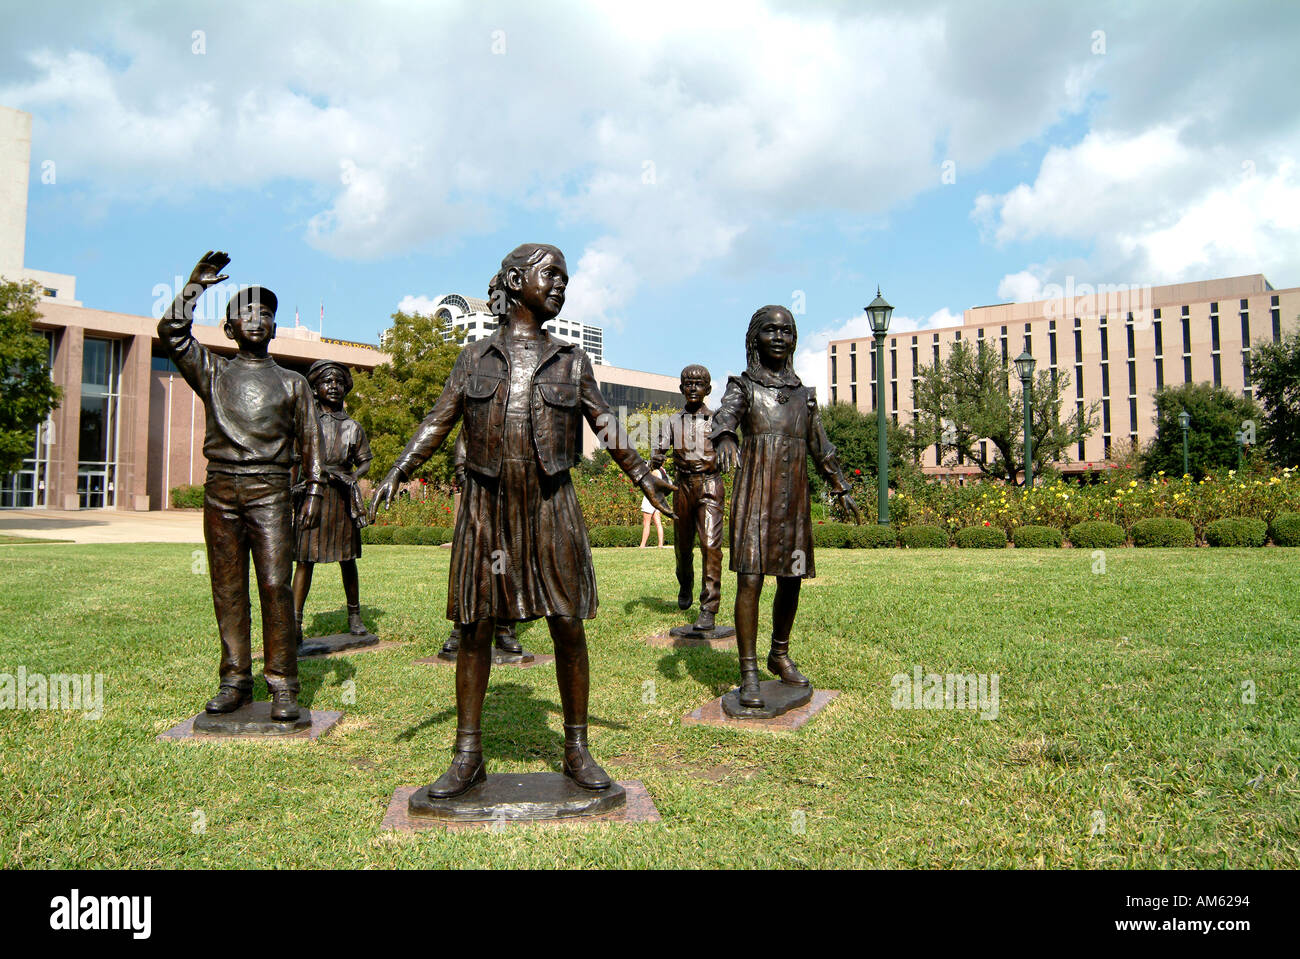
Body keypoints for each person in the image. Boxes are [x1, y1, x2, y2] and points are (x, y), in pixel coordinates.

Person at [370, 243, 675, 798]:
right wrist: (397, 469)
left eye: (566, 278)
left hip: (551, 502)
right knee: (476, 624)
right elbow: (439, 420)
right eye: (551, 275)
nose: (562, 285)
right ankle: (468, 755)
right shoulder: (474, 357)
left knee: (567, 621)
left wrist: (643, 476)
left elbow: (605, 424)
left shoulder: (570, 359)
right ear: (515, 280)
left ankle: (576, 747)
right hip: (487, 504)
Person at [157, 251, 323, 722]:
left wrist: (311, 492)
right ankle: (235, 679)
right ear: (228, 329)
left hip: (271, 491)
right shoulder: (214, 373)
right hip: (221, 491)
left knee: (275, 586)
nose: (258, 318)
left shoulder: (294, 384)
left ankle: (283, 684)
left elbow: (311, 444)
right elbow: (171, 333)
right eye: (246, 312)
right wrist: (194, 287)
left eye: (266, 313)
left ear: (275, 328)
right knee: (227, 588)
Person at [711, 305, 859, 709]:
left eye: (787, 331)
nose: (779, 337)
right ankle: (749, 671)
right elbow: (724, 417)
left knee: (791, 578)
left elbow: (821, 447)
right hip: (756, 495)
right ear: (755, 337)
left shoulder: (804, 396)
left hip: (793, 499)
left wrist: (841, 486)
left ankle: (779, 653)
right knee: (751, 581)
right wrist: (725, 436)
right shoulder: (742, 386)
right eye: (770, 330)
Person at [291, 360, 372, 645]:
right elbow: (294, 460)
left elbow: (365, 463)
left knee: (347, 560)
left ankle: (355, 616)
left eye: (339, 382)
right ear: (315, 388)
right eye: (327, 382)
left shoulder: (353, 427)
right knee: (305, 560)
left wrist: (351, 478)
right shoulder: (306, 422)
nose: (334, 386)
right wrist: (292, 491)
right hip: (312, 497)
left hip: (341, 502)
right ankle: (295, 621)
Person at [651, 364, 724, 630]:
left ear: (708, 389)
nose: (693, 387)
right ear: (682, 388)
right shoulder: (672, 421)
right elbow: (657, 453)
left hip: (709, 485)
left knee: (711, 546)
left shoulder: (716, 421)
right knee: (683, 549)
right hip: (682, 487)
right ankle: (686, 583)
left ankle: (708, 607)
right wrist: (652, 464)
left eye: (699, 383)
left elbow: (729, 446)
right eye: (688, 384)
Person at [638, 467, 669, 548]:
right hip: (658, 498)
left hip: (650, 499)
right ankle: (660, 544)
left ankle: (642, 545)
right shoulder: (663, 471)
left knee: (646, 523)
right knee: (658, 523)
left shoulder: (655, 472)